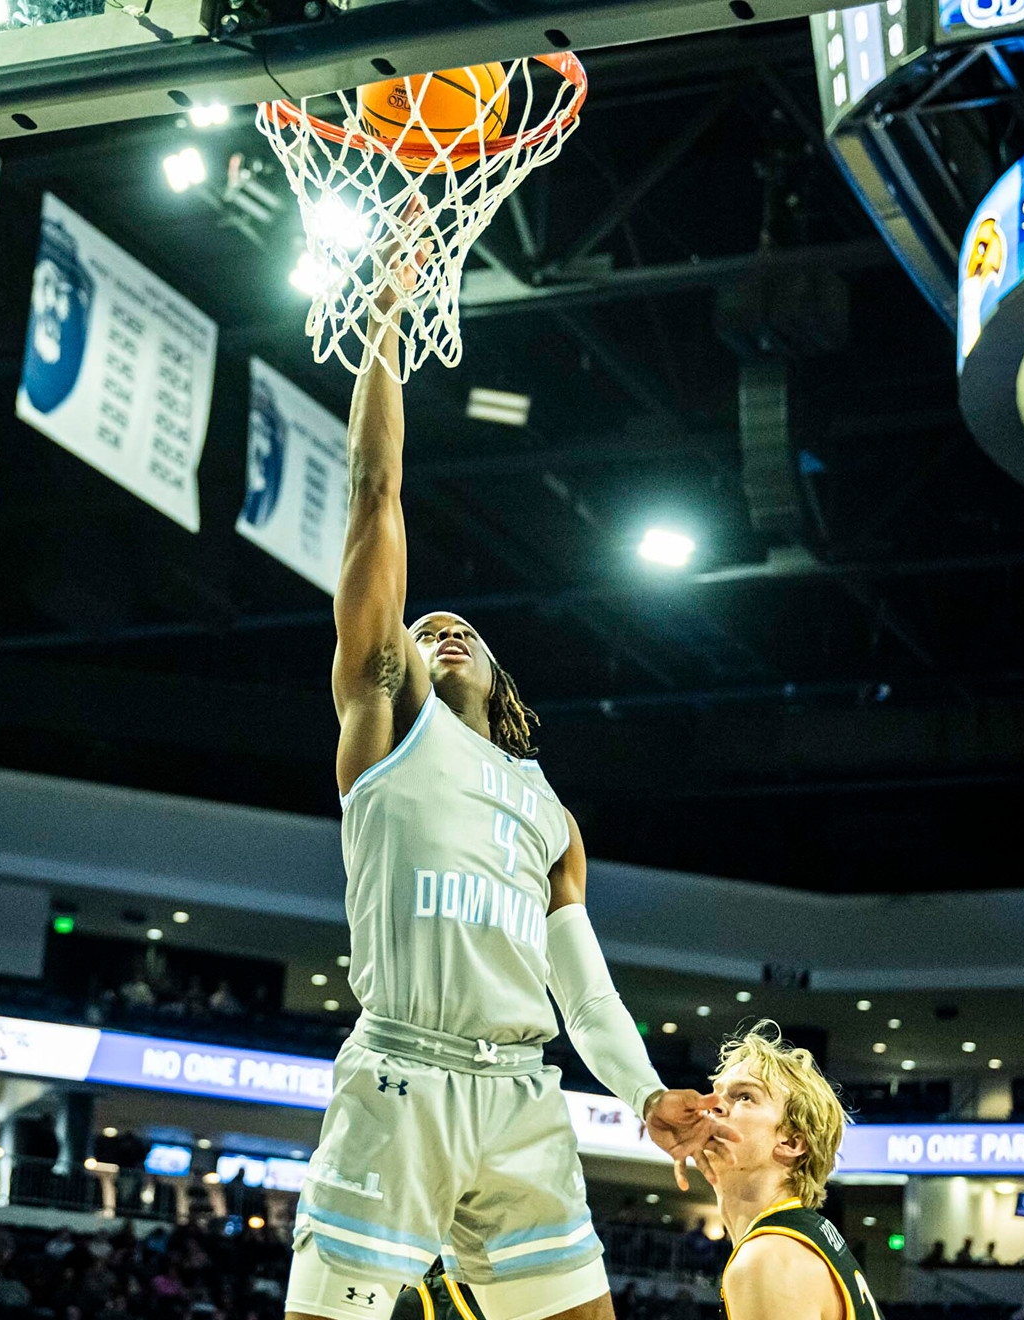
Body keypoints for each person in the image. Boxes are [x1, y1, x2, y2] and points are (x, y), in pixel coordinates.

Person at [289, 262, 735, 1320]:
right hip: (400, 1079)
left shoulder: (550, 814)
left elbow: (581, 989)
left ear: (503, 679)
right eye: (424, 623)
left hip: (525, 1092)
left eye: (466, 628)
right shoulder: (382, 728)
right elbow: (376, 493)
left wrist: (645, 1095)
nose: (442, 627)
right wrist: (386, 329)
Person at [700, 1023, 877, 1320]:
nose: (714, 1105)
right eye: (716, 1092)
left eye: (744, 1096)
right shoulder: (801, 1237)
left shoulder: (768, 1258)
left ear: (792, 1142)